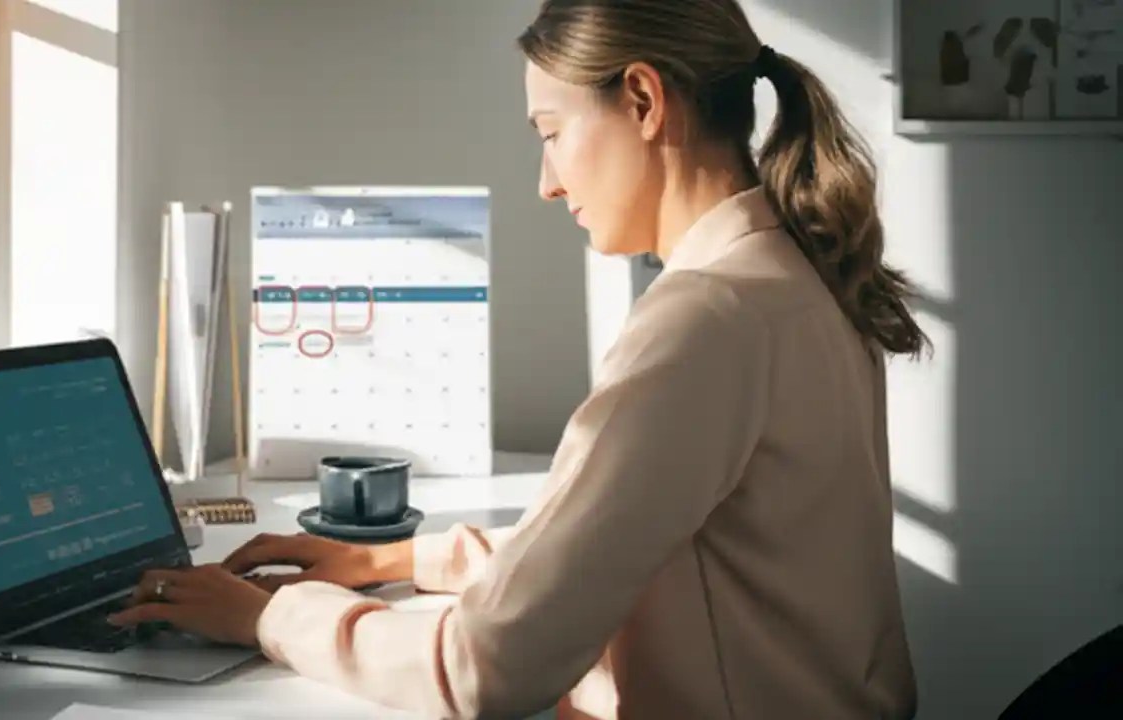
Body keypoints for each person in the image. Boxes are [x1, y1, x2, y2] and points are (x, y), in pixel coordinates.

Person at [108, 0, 929, 717]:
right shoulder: (791, 274)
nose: (547, 181)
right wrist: (387, 558)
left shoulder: (705, 321)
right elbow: (625, 542)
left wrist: (263, 618)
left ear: (643, 99)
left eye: (552, 133)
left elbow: (483, 669)